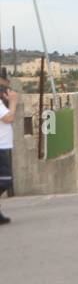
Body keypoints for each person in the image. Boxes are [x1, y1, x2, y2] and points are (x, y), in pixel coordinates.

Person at [0, 72, 14, 225]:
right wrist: (13, 102)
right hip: (0, 146)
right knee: (5, 181)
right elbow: (9, 118)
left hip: (3, 145)